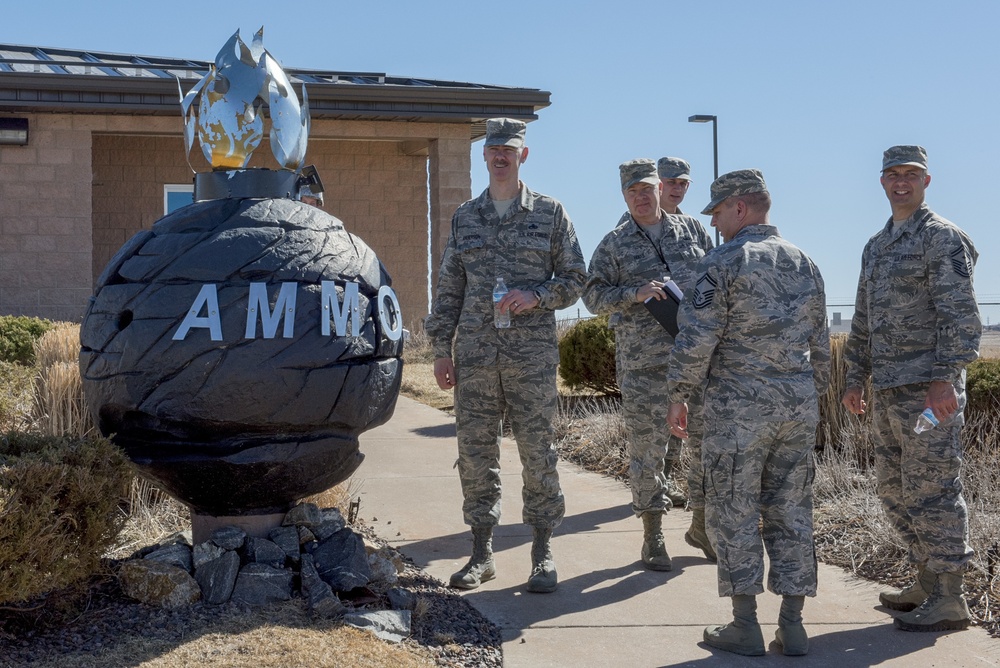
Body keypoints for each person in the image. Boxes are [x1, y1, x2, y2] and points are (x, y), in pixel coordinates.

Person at [666, 169, 830, 656]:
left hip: (738, 412)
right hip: (796, 408)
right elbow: (821, 345)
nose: (713, 223)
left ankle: (745, 625)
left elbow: (697, 337)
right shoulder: (805, 262)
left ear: (740, 207)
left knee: (734, 511)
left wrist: (678, 392)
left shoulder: (722, 262)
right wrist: (810, 399)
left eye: (717, 212)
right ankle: (793, 627)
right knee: (792, 512)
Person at [425, 118, 587, 594]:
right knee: (475, 455)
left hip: (530, 359)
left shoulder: (550, 214)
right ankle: (481, 553)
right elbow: (449, 288)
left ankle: (542, 552)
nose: (500, 156)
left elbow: (576, 279)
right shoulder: (465, 217)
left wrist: (537, 295)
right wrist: (441, 350)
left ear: (523, 155)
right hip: (475, 357)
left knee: (538, 453)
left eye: (509, 150)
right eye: (494, 149)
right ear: (484, 155)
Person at [841, 145, 980, 632]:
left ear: (926, 181)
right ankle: (927, 579)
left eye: (911, 175)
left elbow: (960, 314)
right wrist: (854, 376)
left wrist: (945, 378)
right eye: (893, 174)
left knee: (934, 490)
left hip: (929, 392)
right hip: (888, 390)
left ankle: (950, 597)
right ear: (882, 181)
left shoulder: (941, 238)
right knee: (894, 489)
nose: (901, 182)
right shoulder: (876, 245)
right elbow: (863, 319)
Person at [583, 159, 712, 571]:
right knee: (647, 452)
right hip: (644, 365)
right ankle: (653, 535)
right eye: (632, 191)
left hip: (694, 360)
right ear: (624, 195)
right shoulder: (614, 243)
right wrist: (633, 294)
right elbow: (592, 297)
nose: (640, 197)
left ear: (660, 189)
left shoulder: (692, 231)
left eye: (647, 188)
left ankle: (702, 526)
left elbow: (715, 280)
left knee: (706, 445)